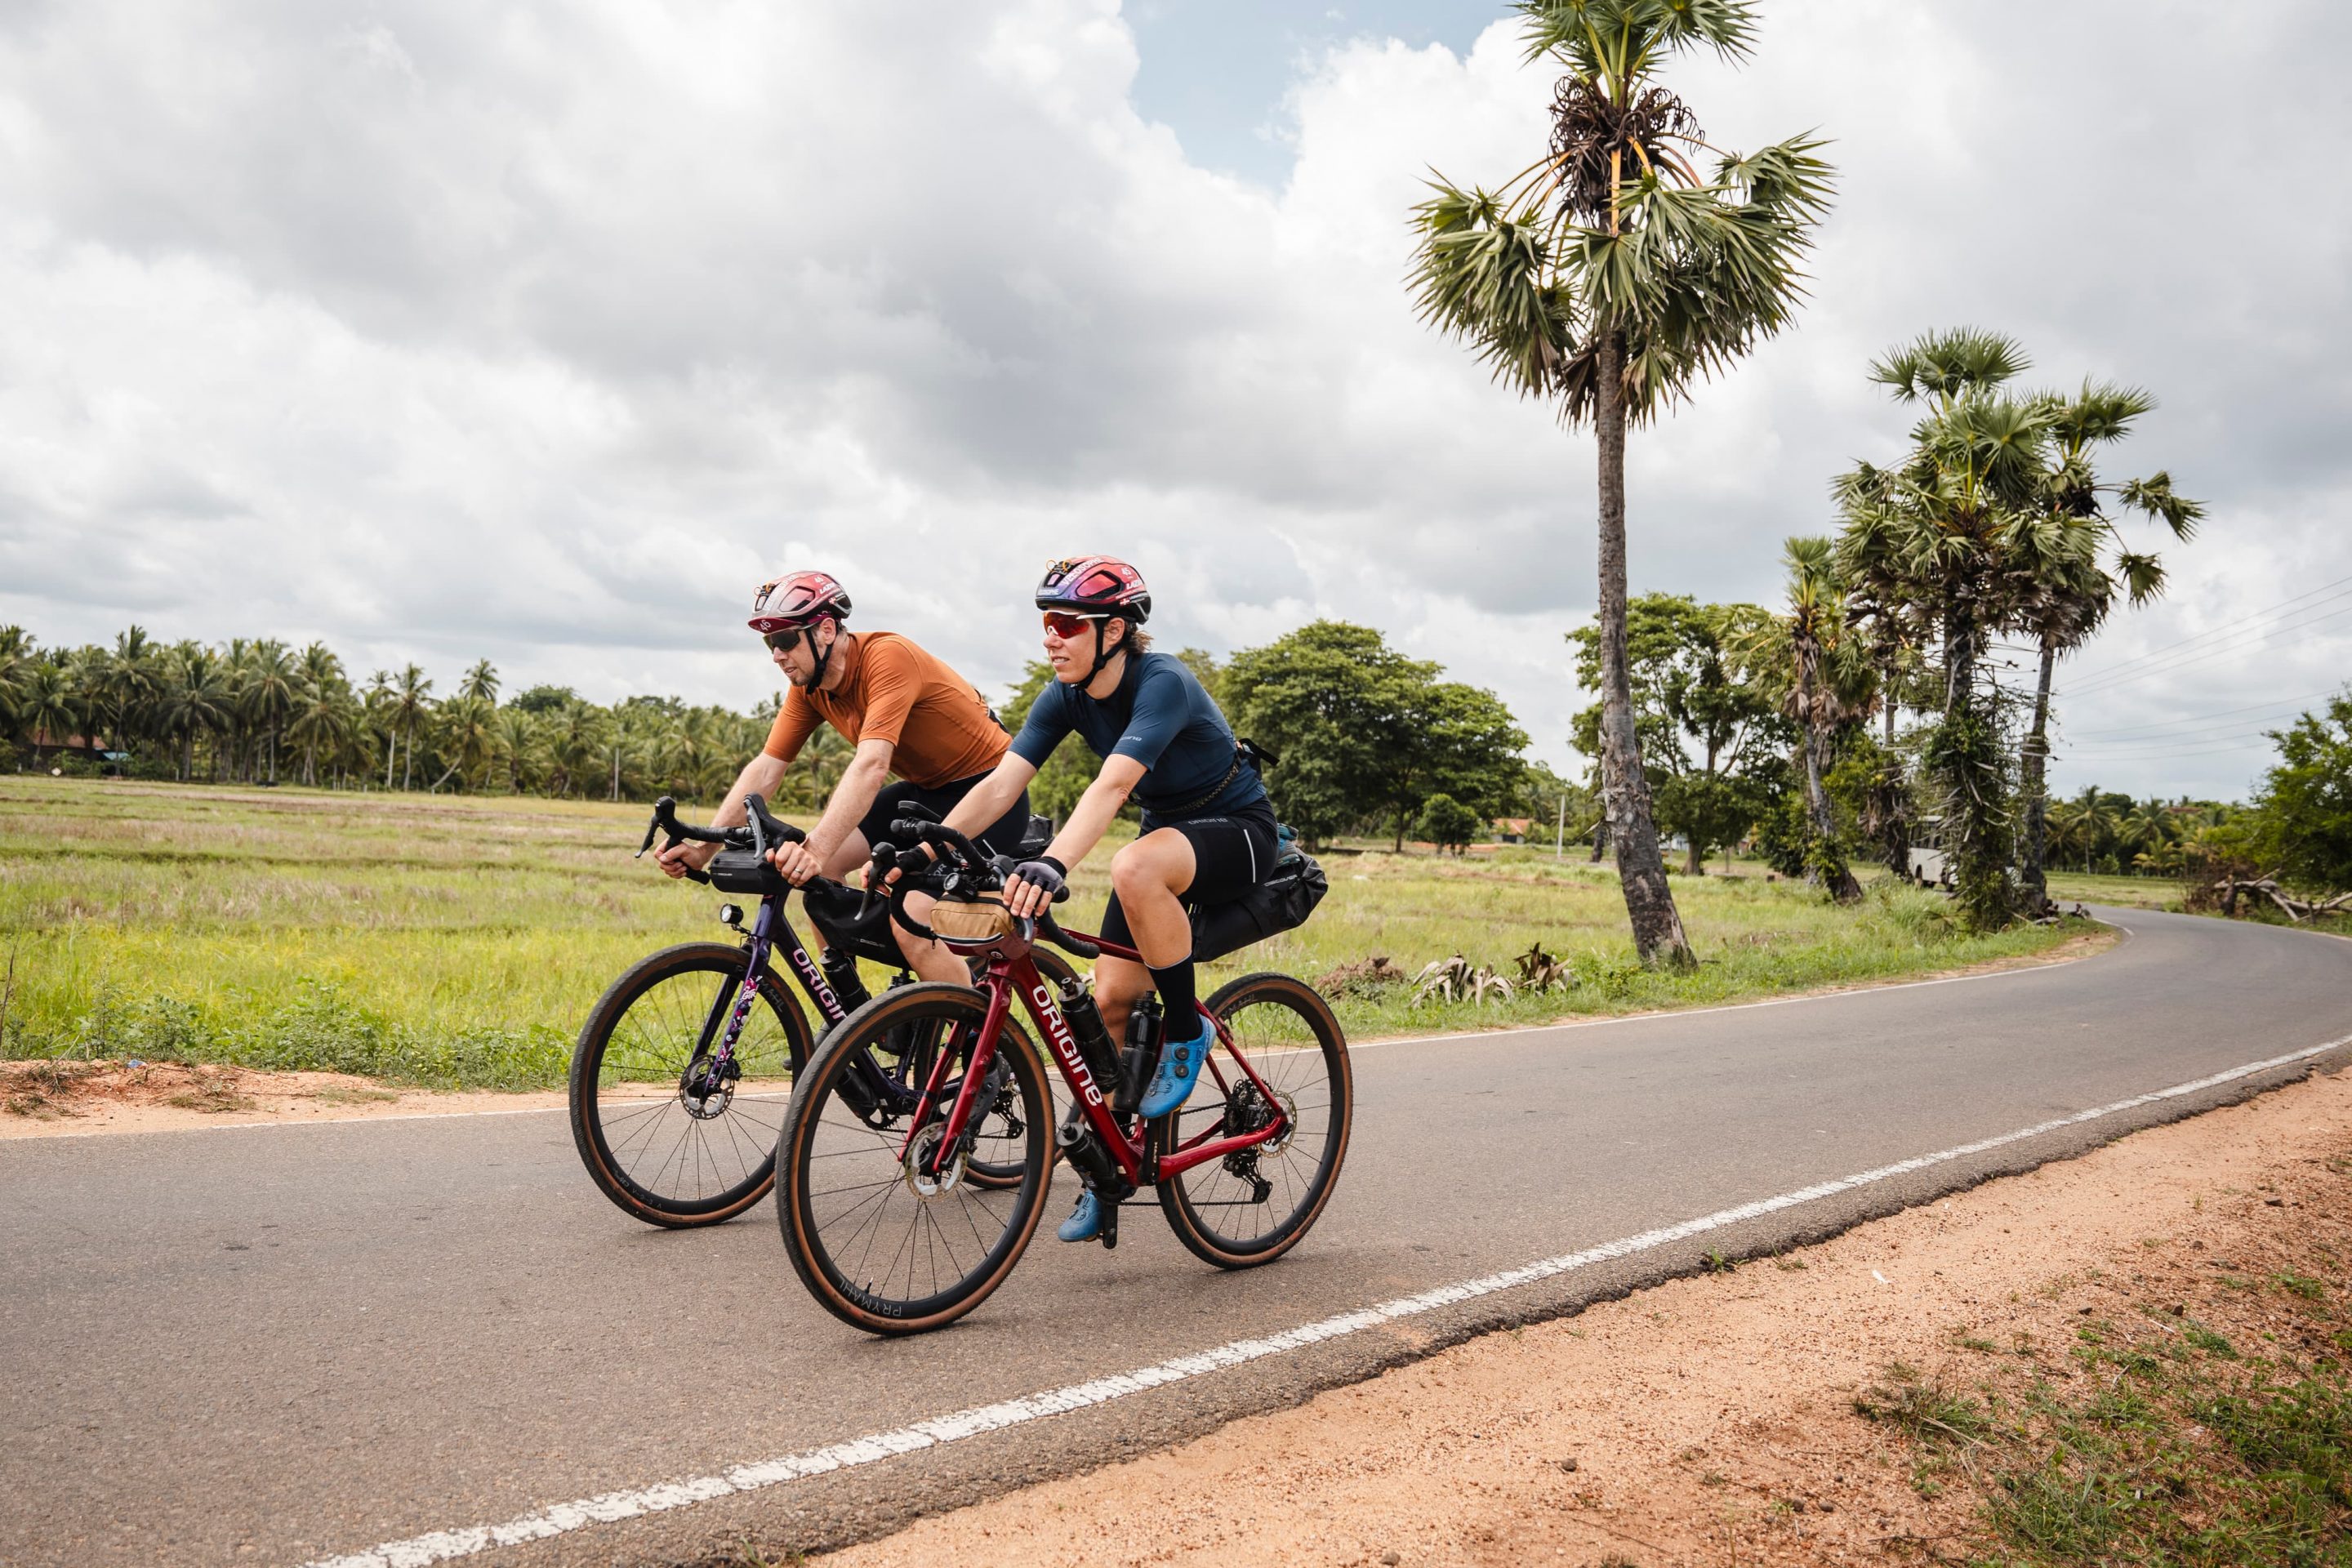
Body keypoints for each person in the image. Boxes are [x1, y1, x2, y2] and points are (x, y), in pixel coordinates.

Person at [936, 555, 1276, 1242]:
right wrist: (927, 846)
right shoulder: (1062, 695)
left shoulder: (1164, 683)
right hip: (1164, 841)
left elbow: (1112, 789)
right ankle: (1106, 1178)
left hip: (1239, 832)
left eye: (1067, 624)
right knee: (1111, 1001)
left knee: (1133, 866)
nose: (1051, 637)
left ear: (1115, 631)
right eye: (1045, 623)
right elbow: (1002, 786)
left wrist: (1054, 862)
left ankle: (1187, 1029)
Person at [656, 569, 1033, 987]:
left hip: (991, 793)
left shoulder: (887, 658)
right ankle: (846, 1014)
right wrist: (704, 848)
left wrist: (814, 847)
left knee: (911, 918)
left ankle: (972, 1040)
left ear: (827, 630)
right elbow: (766, 768)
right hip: (926, 793)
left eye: (785, 640)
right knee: (823, 873)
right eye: (769, 643)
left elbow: (872, 765)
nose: (776, 655)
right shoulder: (809, 687)